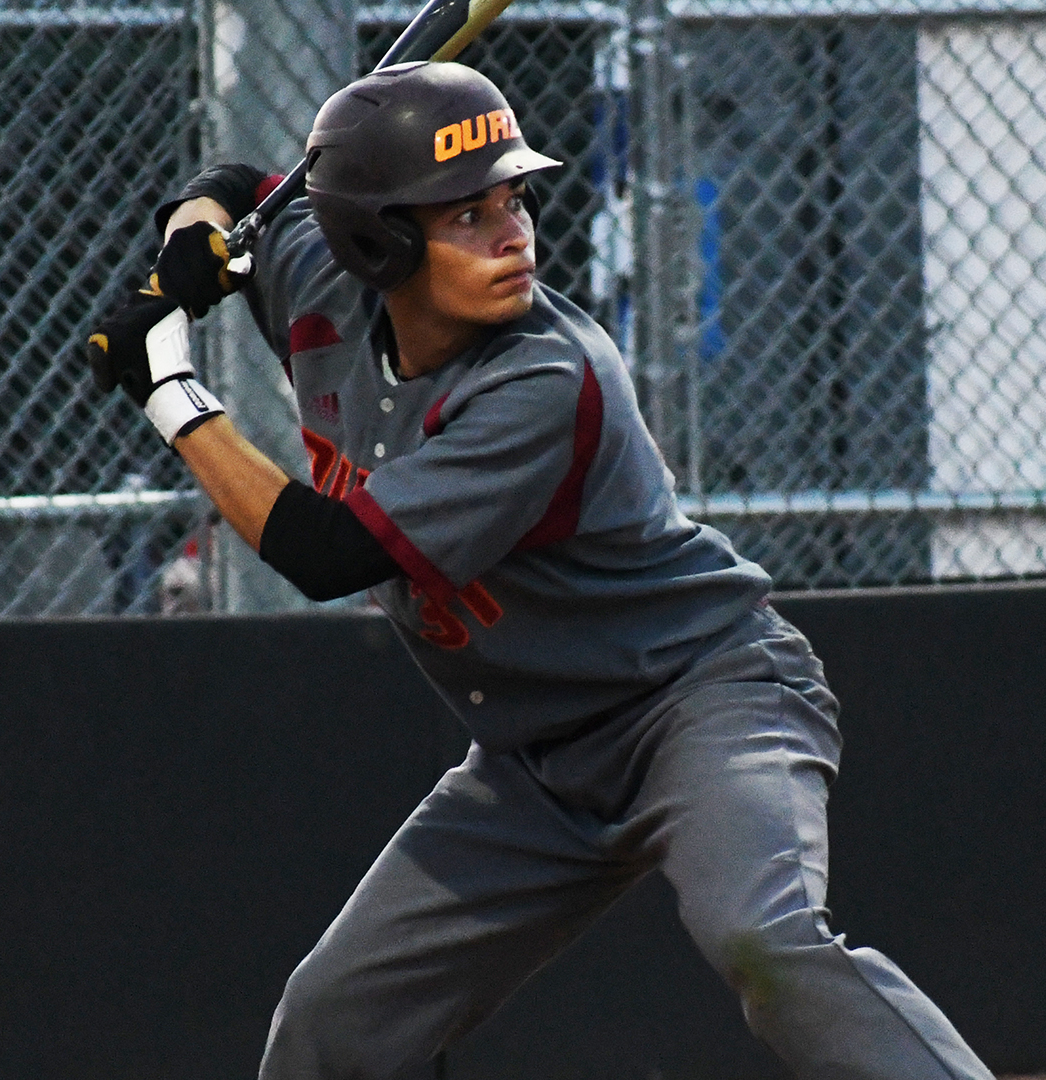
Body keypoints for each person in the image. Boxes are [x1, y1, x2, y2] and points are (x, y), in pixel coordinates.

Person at [85, 60, 992, 1080]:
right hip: (536, 761)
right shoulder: (324, 291)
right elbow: (247, 183)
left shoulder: (545, 378)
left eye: (513, 199)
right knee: (333, 1024)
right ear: (378, 239)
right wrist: (191, 243)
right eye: (467, 214)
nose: (513, 233)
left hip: (700, 701)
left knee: (765, 941)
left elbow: (324, 551)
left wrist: (169, 385)